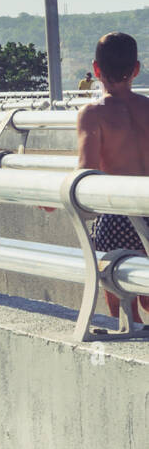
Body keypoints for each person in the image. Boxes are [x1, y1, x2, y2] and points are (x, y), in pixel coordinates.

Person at [76, 32, 149, 325]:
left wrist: (54, 198)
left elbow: (87, 170)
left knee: (118, 288)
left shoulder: (93, 114)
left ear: (96, 70)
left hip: (119, 214)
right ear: (136, 69)